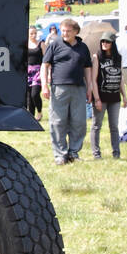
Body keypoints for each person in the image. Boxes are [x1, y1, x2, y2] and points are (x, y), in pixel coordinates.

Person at [40, 17, 97, 164]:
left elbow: (88, 68)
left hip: (79, 87)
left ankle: (73, 153)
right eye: (63, 31)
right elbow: (44, 65)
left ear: (76, 31)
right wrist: (44, 85)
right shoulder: (54, 44)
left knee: (79, 122)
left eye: (68, 31)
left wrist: (90, 87)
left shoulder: (83, 47)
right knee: (58, 122)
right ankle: (60, 154)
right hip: (59, 87)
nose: (64, 33)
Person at [91, 31, 123, 159]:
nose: (104, 43)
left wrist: (124, 95)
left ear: (113, 43)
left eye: (107, 41)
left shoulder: (118, 57)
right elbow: (93, 79)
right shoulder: (97, 56)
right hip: (101, 96)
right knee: (96, 125)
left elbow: (120, 76)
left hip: (115, 97)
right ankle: (96, 153)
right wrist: (97, 98)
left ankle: (116, 153)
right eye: (103, 41)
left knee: (114, 126)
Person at [26, 26, 44, 121]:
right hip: (27, 71)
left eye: (35, 33)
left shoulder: (41, 44)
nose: (33, 35)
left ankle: (40, 111)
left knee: (35, 94)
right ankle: (31, 117)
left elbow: (46, 59)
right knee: (29, 96)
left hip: (38, 71)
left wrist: (45, 72)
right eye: (31, 33)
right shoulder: (24, 44)